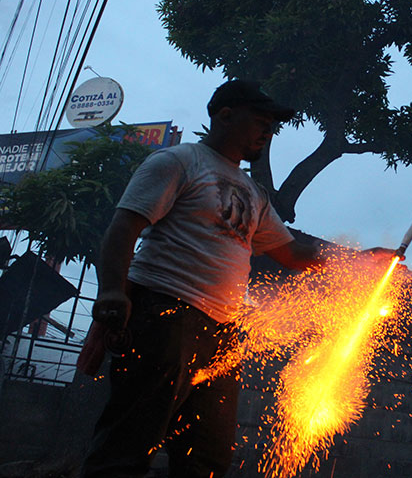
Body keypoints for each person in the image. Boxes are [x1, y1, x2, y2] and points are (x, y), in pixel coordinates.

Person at [79, 80, 388, 477]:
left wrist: (357, 261)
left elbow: (292, 254)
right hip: (165, 312)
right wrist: (111, 293)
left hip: (223, 330)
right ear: (224, 115)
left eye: (272, 126)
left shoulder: (253, 193)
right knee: (129, 442)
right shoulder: (178, 162)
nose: (268, 131)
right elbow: (124, 228)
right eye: (260, 121)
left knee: (206, 457)